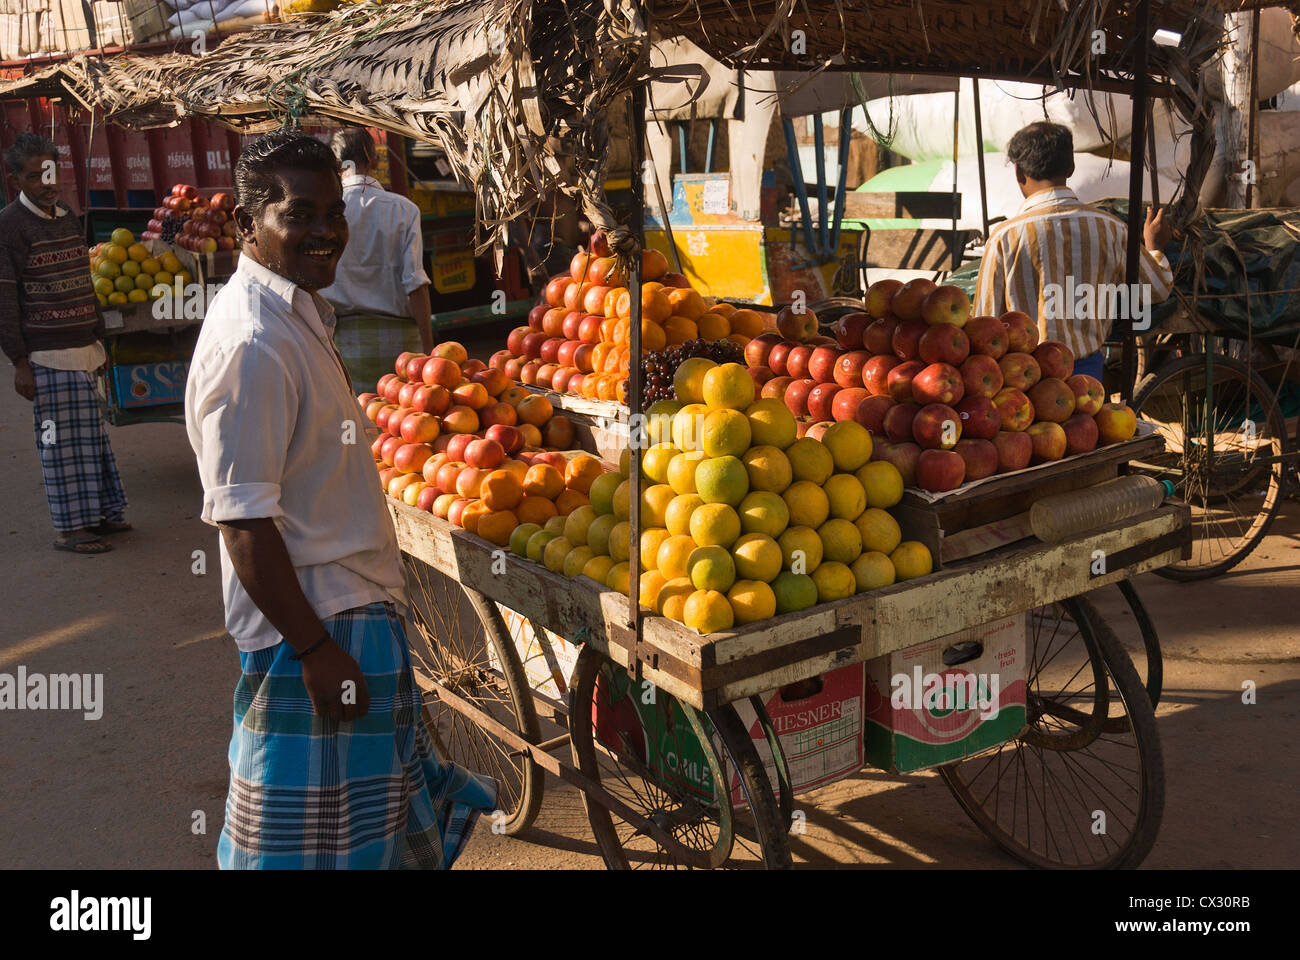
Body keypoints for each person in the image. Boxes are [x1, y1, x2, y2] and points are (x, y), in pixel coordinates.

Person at [184, 131, 494, 870]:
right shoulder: (254, 343)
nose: (325, 231)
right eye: (299, 215)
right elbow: (243, 524)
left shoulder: (297, 314)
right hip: (319, 628)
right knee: (308, 854)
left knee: (362, 839)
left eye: (332, 212)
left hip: (349, 618)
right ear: (246, 225)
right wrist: (318, 652)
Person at [0, 131, 129, 555]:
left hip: (83, 349)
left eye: (52, 172)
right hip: (46, 356)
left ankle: (101, 515)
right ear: (16, 178)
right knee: (59, 445)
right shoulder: (9, 226)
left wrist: (99, 336)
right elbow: (5, 298)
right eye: (36, 175)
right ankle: (71, 530)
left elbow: (82, 279)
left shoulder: (66, 214)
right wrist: (19, 362)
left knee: (91, 437)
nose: (47, 182)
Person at [975, 121, 1174, 382]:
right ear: (1071, 167)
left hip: (1021, 378)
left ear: (1019, 173)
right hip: (1086, 375)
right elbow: (1156, 289)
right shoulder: (1111, 228)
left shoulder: (1005, 237)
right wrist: (1155, 248)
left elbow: (983, 323)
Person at [319, 127, 432, 392]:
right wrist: (429, 348)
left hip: (340, 344)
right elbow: (415, 283)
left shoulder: (325, 214)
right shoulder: (404, 209)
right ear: (375, 160)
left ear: (336, 166)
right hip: (401, 347)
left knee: (355, 424)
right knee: (401, 424)